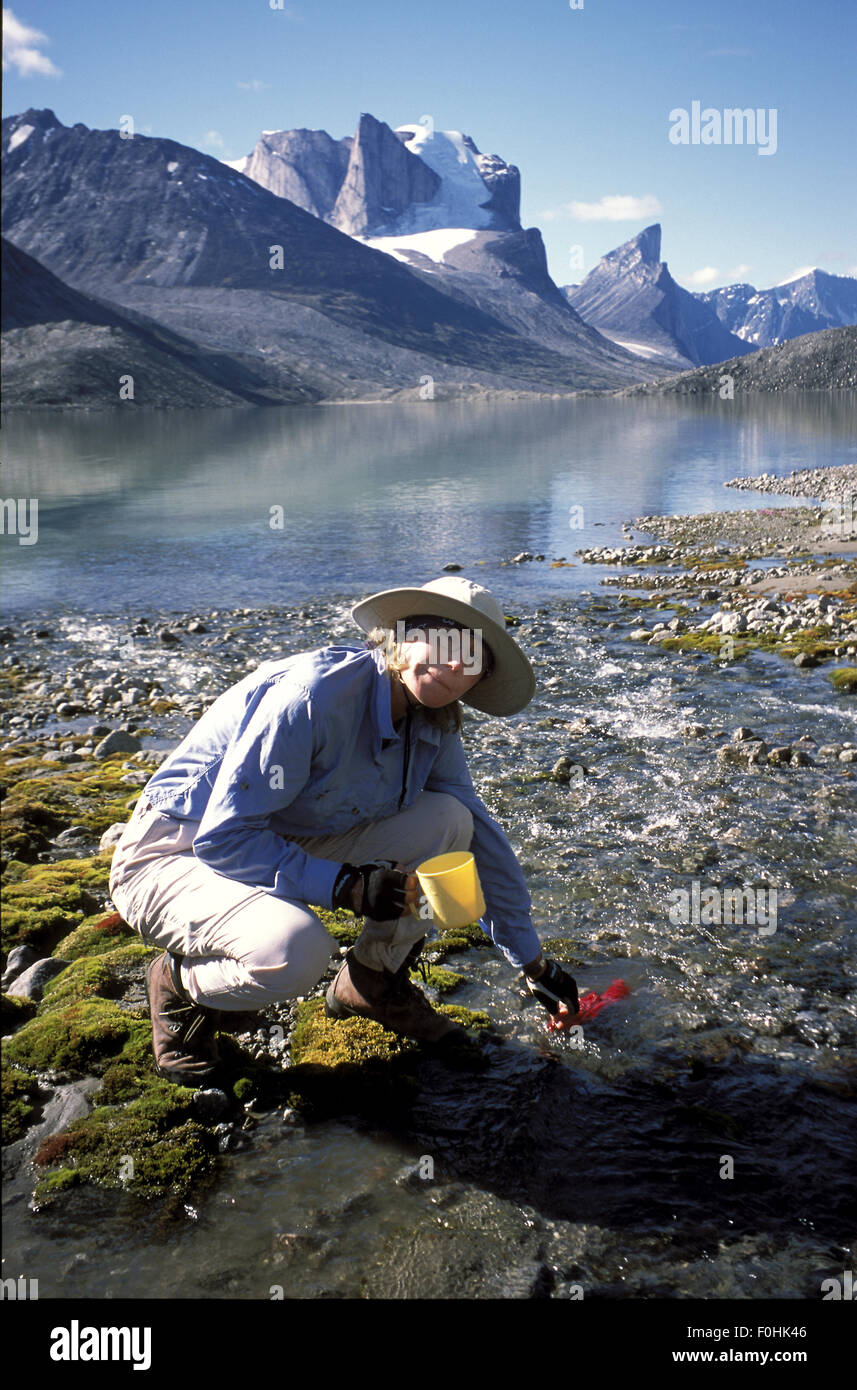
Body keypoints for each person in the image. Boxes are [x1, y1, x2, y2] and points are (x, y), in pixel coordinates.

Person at [108, 576, 580, 1086]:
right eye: (442, 642)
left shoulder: (433, 722)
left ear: (477, 682)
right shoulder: (312, 697)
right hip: (172, 853)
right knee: (293, 951)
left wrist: (531, 962)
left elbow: (481, 837)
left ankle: (372, 981)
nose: (451, 664)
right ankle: (177, 984)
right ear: (400, 638)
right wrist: (347, 886)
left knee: (450, 821)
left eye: (472, 659)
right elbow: (224, 837)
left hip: (276, 834)